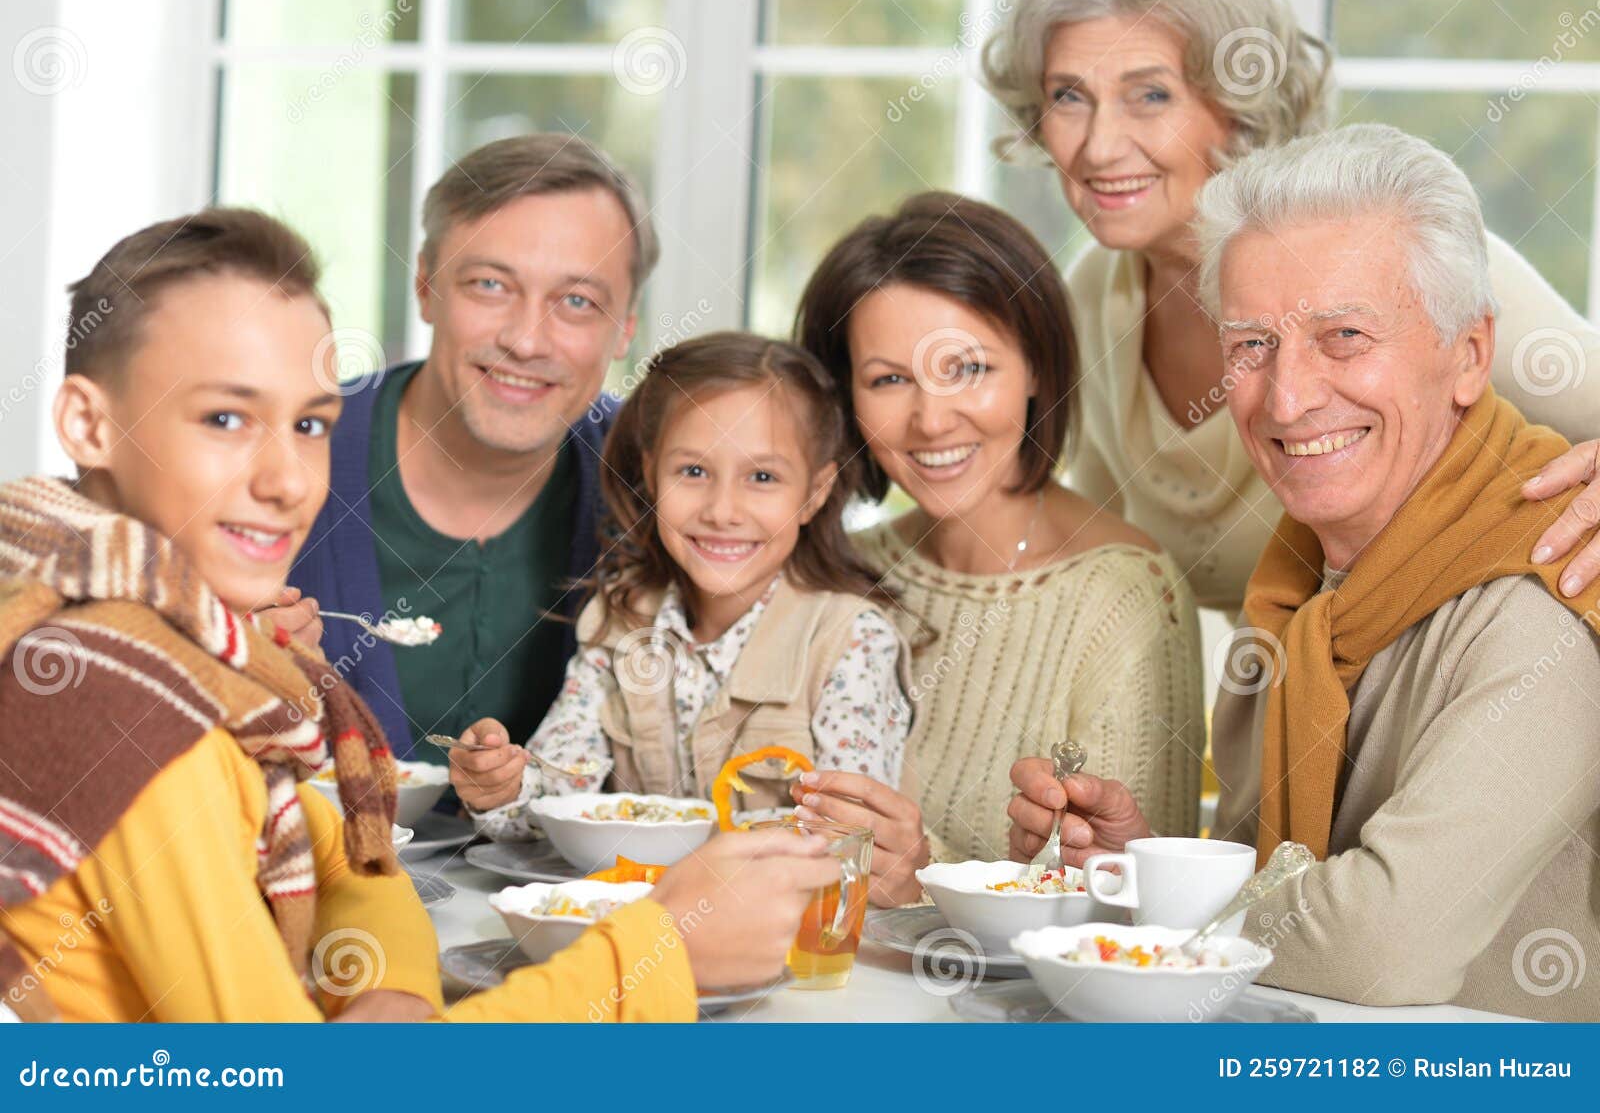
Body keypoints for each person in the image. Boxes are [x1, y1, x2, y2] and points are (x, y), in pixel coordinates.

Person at [0, 209, 840, 1022]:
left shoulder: (180, 650)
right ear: (87, 423)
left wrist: (388, 989)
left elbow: (351, 857)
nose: (288, 480)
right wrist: (660, 956)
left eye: (309, 423)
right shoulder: (122, 704)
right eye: (226, 418)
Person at [1007, 125, 1600, 1020]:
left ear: (1470, 354)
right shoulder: (1292, 589)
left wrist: (1172, 904)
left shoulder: (1547, 593)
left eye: (1345, 336)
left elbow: (1375, 948)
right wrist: (1143, 869)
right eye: (1251, 345)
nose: (1286, 398)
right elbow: (1289, 907)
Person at [981, 0, 1600, 613]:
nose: (1099, 147)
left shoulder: (1395, 251)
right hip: (1279, 701)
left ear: (1242, 107)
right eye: (1068, 96)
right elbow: (1116, 576)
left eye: (1151, 94)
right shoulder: (1091, 299)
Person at [795, 191, 1205, 874]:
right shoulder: (838, 569)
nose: (931, 420)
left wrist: (917, 873)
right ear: (846, 397)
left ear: (1037, 368)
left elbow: (1128, 913)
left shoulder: (1126, 599)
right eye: (890, 378)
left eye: (970, 368)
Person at [449, 335, 915, 882]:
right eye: (693, 471)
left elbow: (851, 853)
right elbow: (549, 802)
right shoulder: (619, 622)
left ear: (814, 493)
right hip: (641, 934)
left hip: (778, 945)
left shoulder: (851, 641)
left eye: (762, 478)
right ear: (651, 474)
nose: (722, 510)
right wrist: (499, 788)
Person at [286, 133, 654, 765]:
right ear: (426, 285)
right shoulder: (286, 454)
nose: (527, 340)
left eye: (577, 301)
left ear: (624, 329)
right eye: (490, 284)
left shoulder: (661, 486)